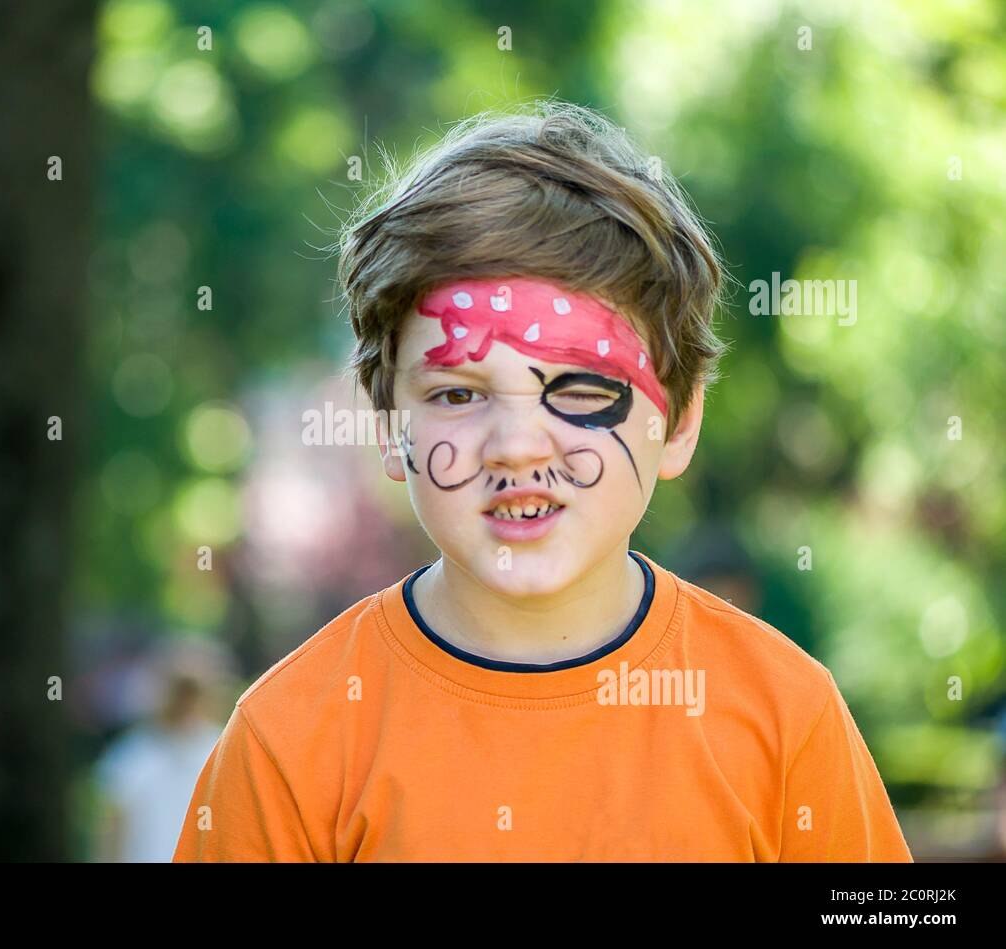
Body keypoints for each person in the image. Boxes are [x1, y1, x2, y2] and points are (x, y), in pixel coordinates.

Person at [173, 100, 912, 862]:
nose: (518, 446)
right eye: (457, 394)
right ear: (390, 426)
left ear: (679, 422)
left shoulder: (786, 716)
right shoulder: (287, 739)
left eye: (582, 389)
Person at [96, 666, 224, 862]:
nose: (184, 704)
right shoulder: (133, 754)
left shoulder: (219, 748)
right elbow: (114, 826)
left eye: (190, 695)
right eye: (179, 695)